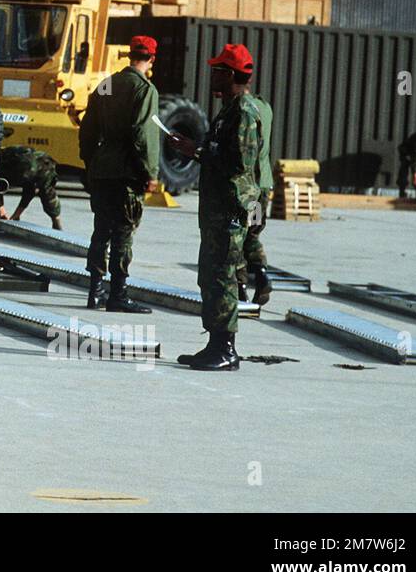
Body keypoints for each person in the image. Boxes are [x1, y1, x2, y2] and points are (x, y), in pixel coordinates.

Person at [167, 43, 261, 371]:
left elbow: (239, 163)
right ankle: (215, 344)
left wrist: (198, 151)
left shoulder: (245, 113)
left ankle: (226, 349)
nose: (213, 75)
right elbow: (217, 150)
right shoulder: (229, 110)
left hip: (229, 210)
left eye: (219, 71)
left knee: (222, 277)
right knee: (210, 275)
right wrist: (193, 149)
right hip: (216, 210)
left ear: (233, 75)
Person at [77, 35, 159, 313]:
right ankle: (118, 293)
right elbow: (142, 134)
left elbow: (87, 128)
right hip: (127, 172)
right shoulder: (145, 89)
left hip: (103, 168)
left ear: (129, 55)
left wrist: (91, 162)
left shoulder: (107, 83)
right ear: (151, 59)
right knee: (124, 232)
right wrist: (150, 172)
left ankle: (95, 290)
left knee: (101, 229)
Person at [238, 91, 274, 306]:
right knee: (252, 233)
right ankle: (261, 274)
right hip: (263, 186)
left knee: (239, 235)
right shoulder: (265, 107)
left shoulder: (242, 110)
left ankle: (241, 287)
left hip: (249, 187)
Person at [0, 146, 62, 229]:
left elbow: (30, 192)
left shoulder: (44, 168)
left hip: (42, 166)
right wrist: (1, 211)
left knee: (47, 194)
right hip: (10, 164)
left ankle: (56, 220)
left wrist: (16, 215)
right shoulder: (3, 161)